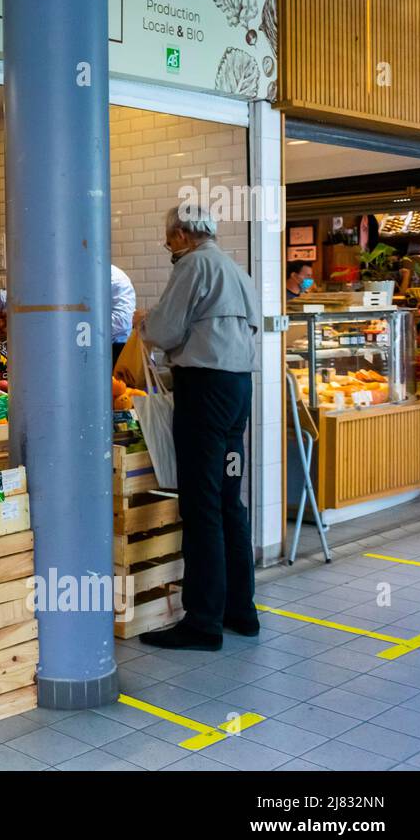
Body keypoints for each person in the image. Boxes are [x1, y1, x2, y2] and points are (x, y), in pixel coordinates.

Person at [135, 204, 260, 651]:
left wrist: (145, 324)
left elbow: (166, 329)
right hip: (237, 391)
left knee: (201, 504)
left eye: (169, 240)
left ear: (183, 235)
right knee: (230, 501)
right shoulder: (234, 268)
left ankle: (203, 621)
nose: (169, 247)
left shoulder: (193, 265)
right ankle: (241, 611)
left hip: (204, 391)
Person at [0, 266, 137, 361]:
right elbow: (27, 297)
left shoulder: (116, 279)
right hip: (77, 350)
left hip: (113, 351)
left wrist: (74, 331)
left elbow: (121, 321)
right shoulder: (65, 275)